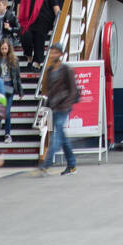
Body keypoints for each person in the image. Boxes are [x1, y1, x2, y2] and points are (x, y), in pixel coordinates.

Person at [39, 44, 80, 176]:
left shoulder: (66, 70)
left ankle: (48, 161)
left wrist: (66, 105)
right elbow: (48, 90)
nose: (53, 55)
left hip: (64, 107)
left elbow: (73, 90)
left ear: (61, 54)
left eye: (56, 53)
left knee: (56, 133)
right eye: (51, 53)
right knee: (61, 135)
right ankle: (72, 164)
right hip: (54, 106)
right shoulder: (50, 70)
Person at [18, 0, 61, 69]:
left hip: (44, 20)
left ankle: (37, 63)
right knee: (26, 38)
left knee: (39, 41)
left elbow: (55, 4)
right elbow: (22, 2)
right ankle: (29, 57)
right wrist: (18, 15)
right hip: (28, 21)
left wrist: (58, 16)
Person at [0, 38, 22, 145]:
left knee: (7, 111)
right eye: (2, 48)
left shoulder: (14, 60)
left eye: (5, 48)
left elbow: (17, 76)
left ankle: (7, 133)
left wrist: (20, 91)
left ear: (9, 48)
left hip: (10, 86)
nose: (4, 51)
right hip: (0, 87)